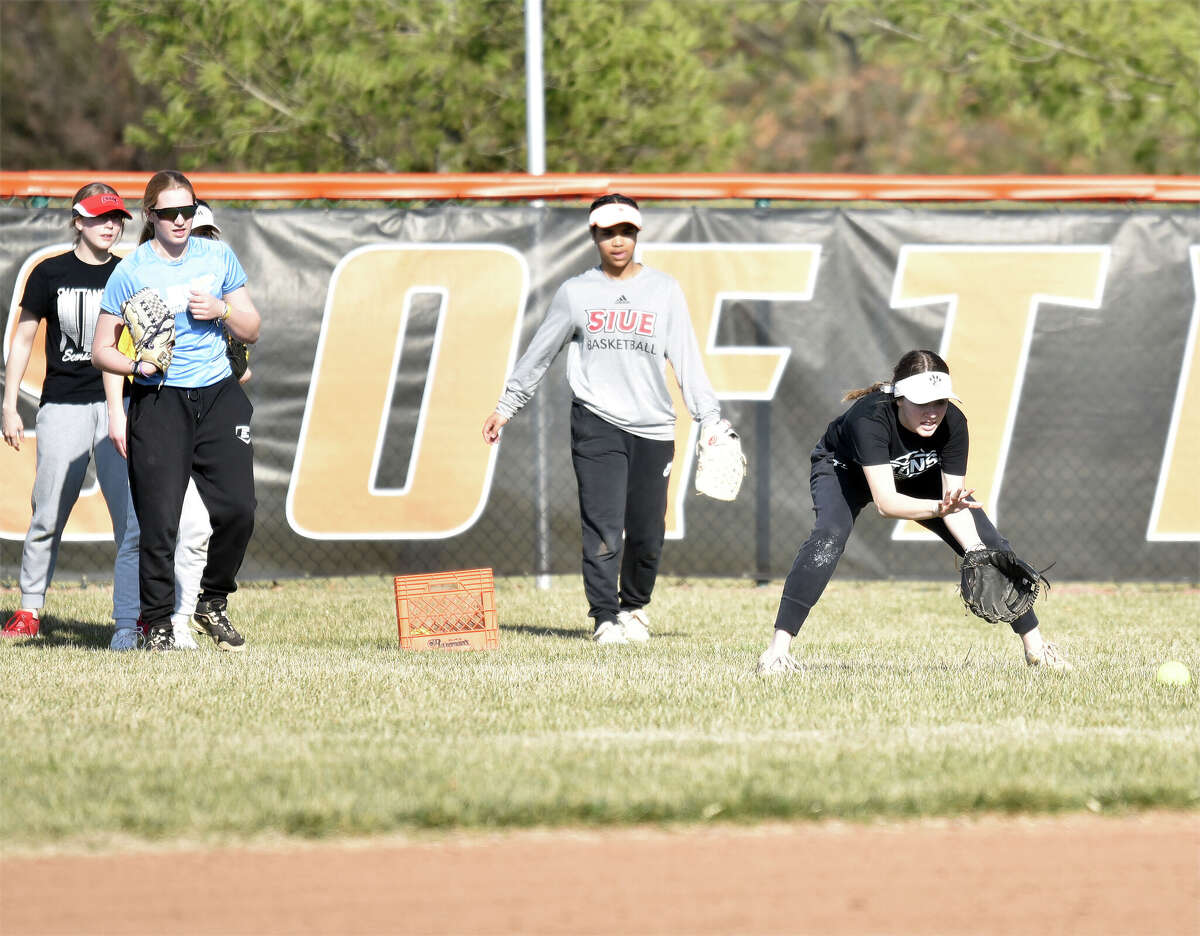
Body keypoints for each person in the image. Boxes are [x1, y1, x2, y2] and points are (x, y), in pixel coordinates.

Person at [482, 193, 734, 645]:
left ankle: (634, 608)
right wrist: (507, 406)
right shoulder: (576, 293)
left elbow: (686, 359)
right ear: (594, 236)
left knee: (647, 531)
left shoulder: (664, 290)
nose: (617, 241)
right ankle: (604, 618)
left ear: (636, 235)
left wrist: (709, 418)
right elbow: (540, 353)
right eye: (606, 233)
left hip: (655, 426)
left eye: (625, 232)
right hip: (596, 421)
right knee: (602, 524)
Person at [757, 349, 1072, 676]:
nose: (933, 412)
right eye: (923, 402)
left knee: (991, 546)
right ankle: (777, 652)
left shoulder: (954, 424)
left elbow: (953, 501)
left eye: (940, 402)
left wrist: (976, 550)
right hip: (845, 472)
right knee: (828, 537)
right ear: (899, 398)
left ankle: (1036, 649)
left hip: (915, 477)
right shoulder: (869, 419)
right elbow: (886, 503)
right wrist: (939, 507)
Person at [91, 170, 260, 652]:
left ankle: (212, 601)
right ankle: (158, 621)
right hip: (160, 397)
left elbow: (252, 327)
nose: (181, 219)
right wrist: (134, 365)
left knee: (238, 510)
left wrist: (222, 312)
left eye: (188, 209)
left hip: (218, 393)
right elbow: (101, 348)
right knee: (159, 521)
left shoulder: (217, 256)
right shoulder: (131, 270)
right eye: (169, 213)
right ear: (151, 216)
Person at [1, 184, 141, 650]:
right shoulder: (49, 272)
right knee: (47, 512)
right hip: (63, 405)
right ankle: (30, 608)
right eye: (100, 217)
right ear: (77, 220)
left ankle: (133, 617)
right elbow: (22, 339)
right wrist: (8, 405)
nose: (111, 224)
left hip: (117, 404)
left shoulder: (129, 273)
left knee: (131, 518)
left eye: (117, 216)